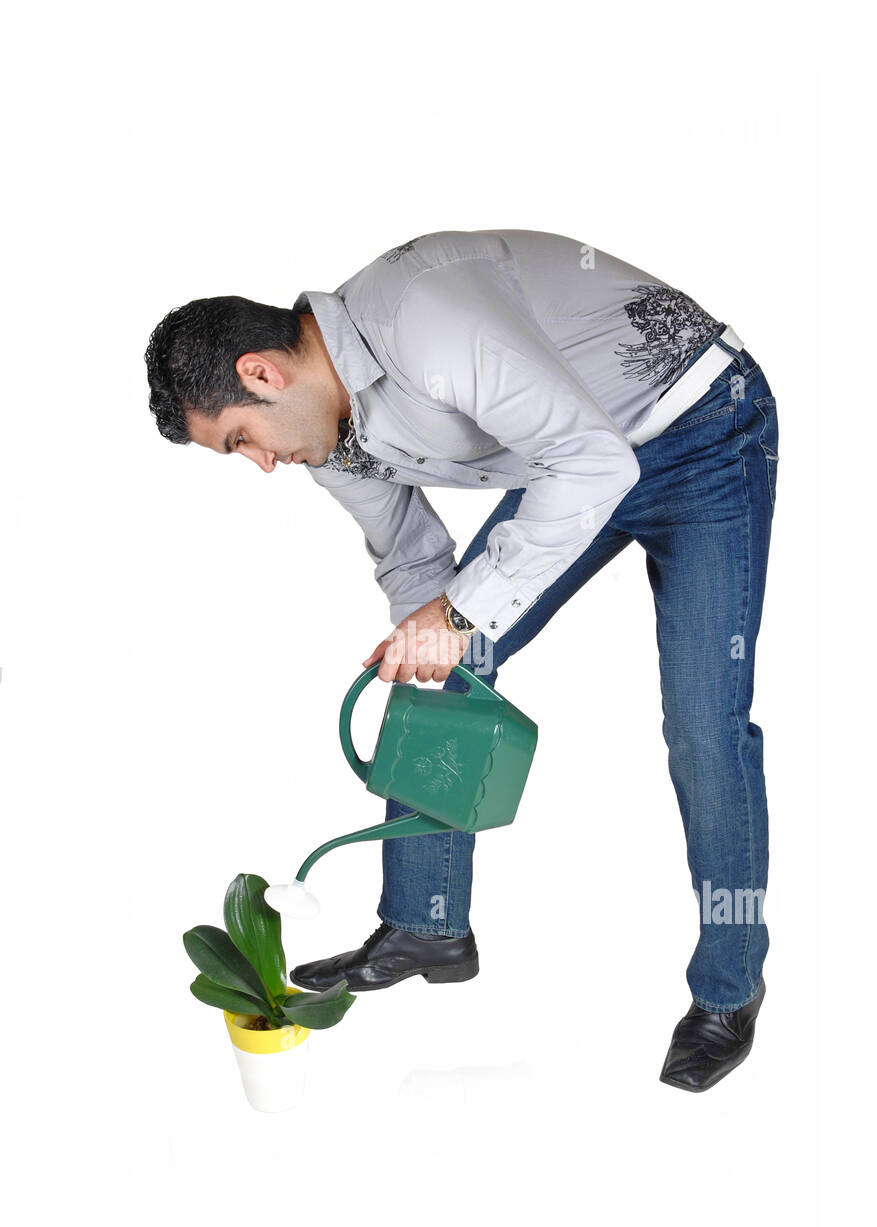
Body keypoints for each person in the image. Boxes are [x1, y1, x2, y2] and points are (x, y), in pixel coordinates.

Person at [145, 228, 779, 1092]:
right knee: (433, 661)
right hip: (571, 453)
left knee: (705, 727)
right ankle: (427, 923)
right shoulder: (322, 429)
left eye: (240, 439)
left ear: (261, 373)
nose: (260, 463)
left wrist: (455, 614)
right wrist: (428, 638)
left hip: (698, 435)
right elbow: (413, 561)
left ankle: (728, 991)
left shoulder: (427, 321)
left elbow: (591, 465)